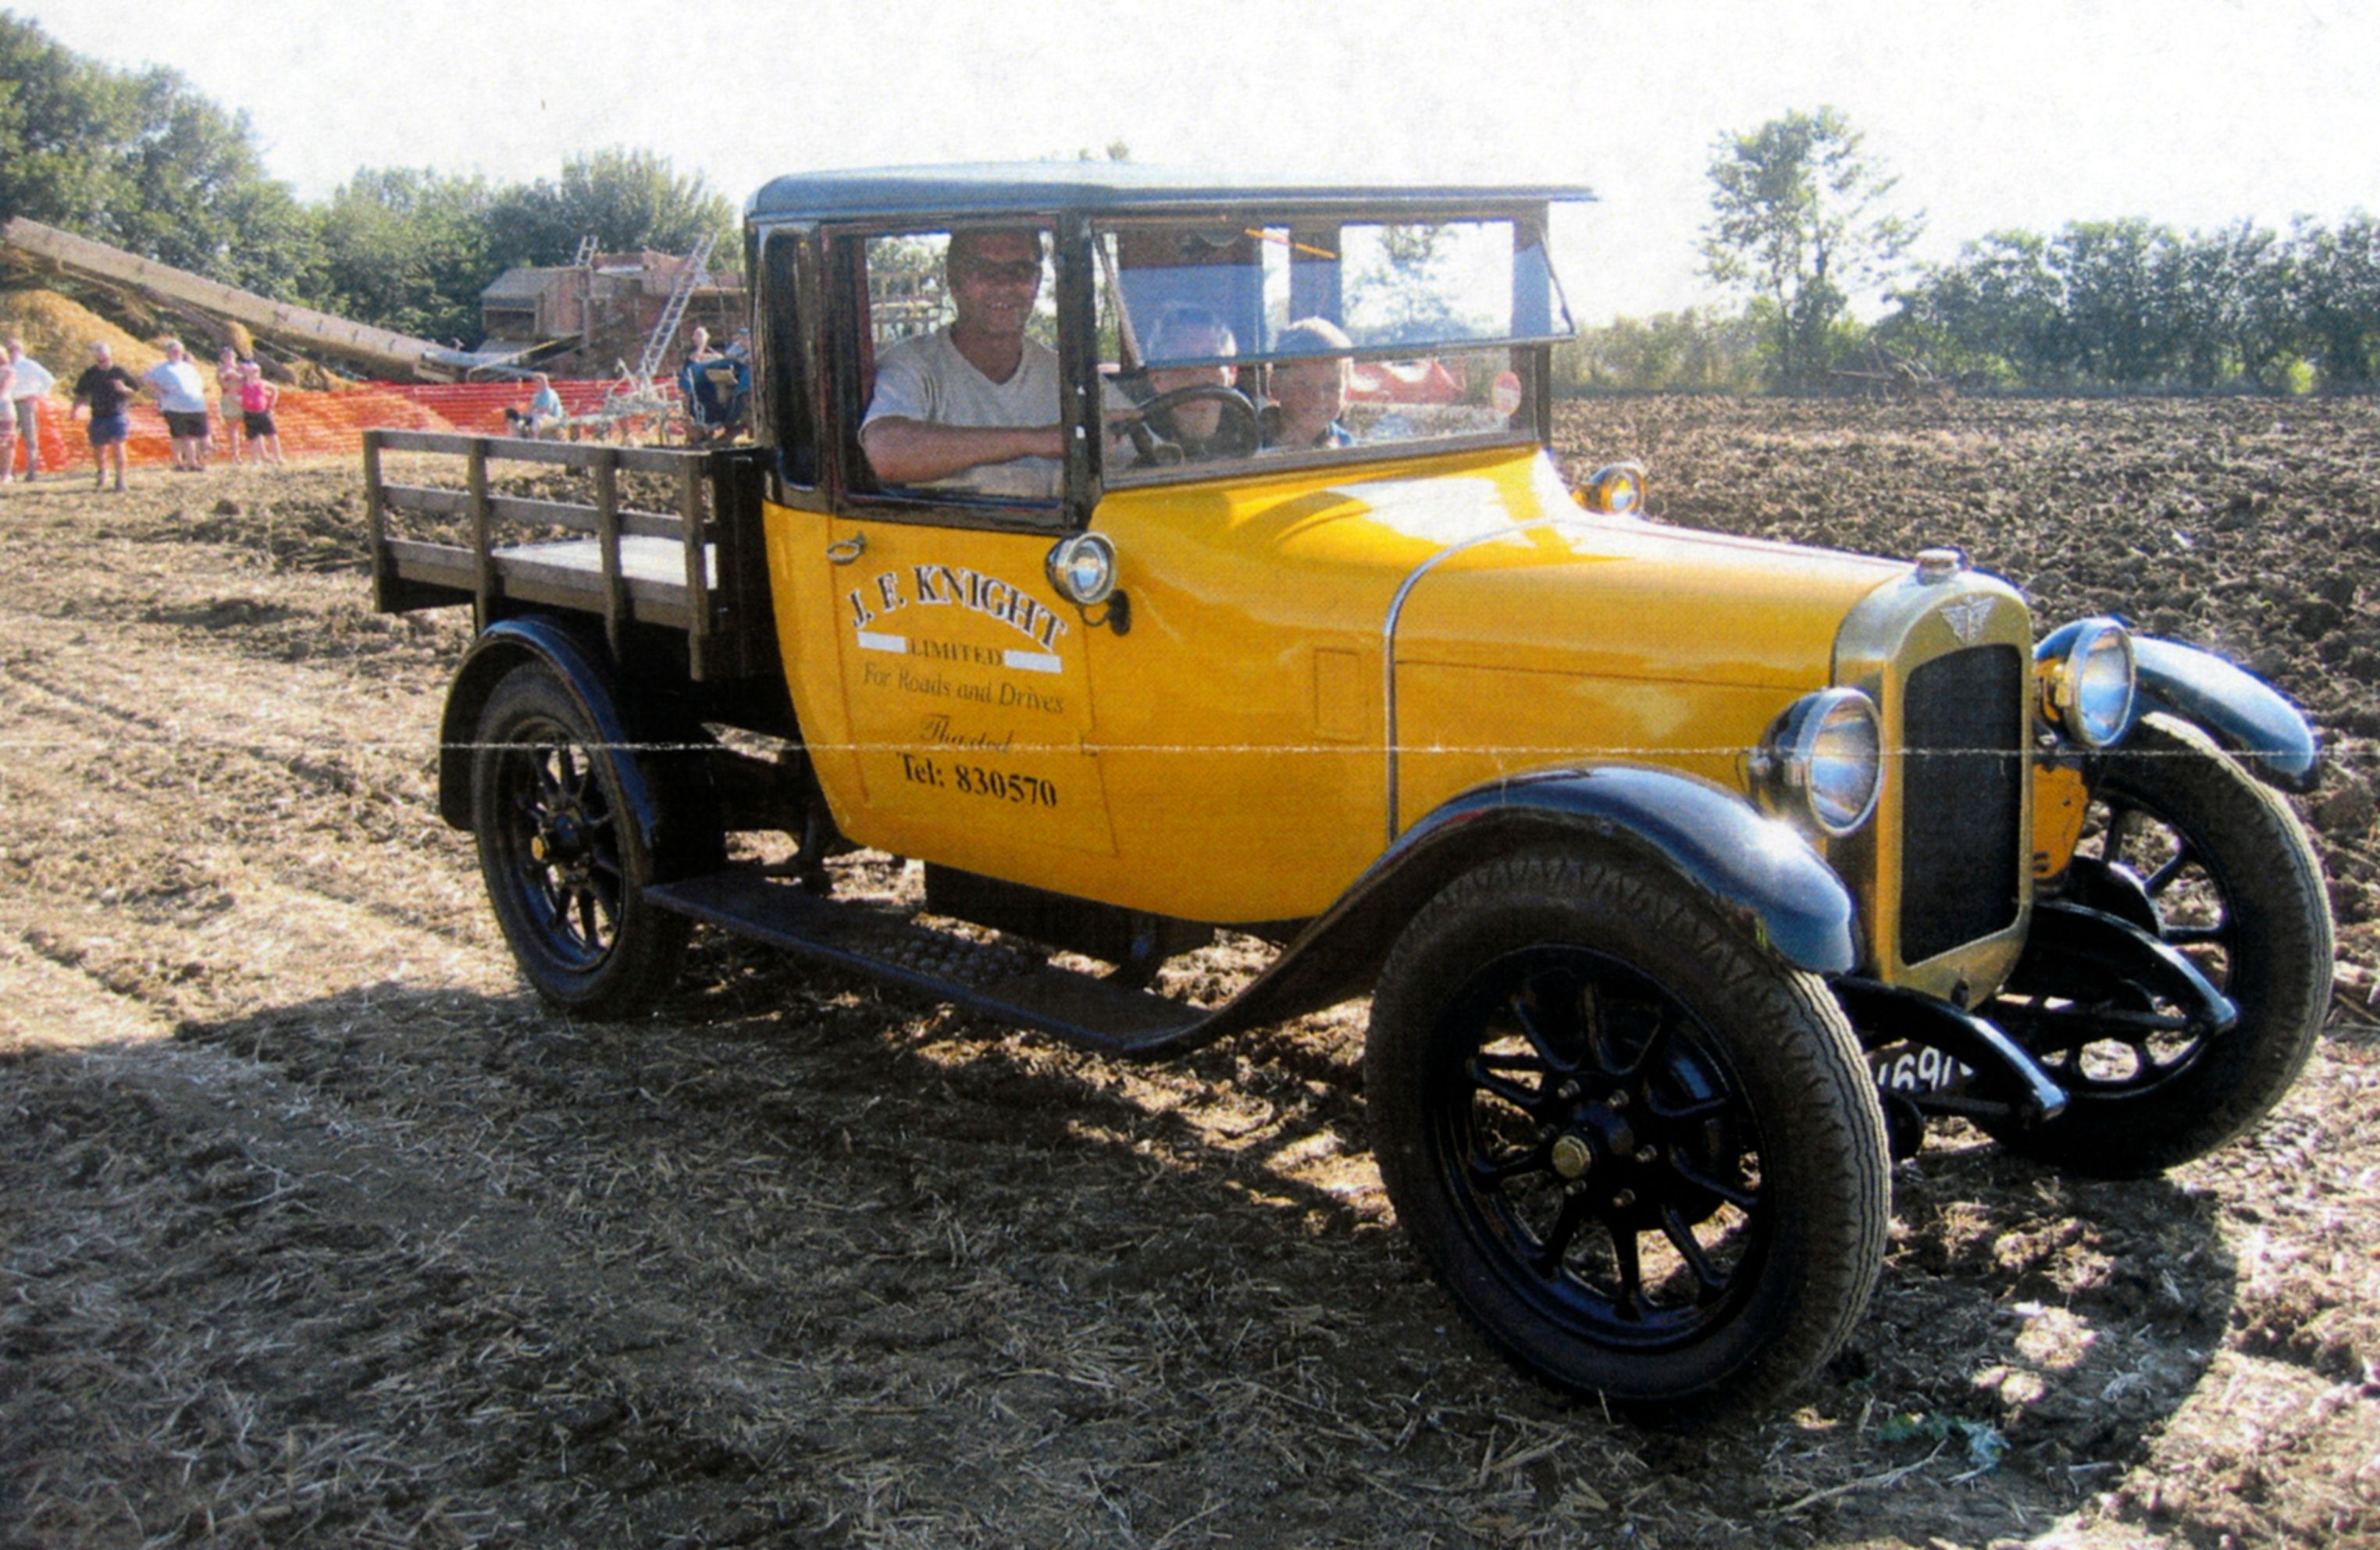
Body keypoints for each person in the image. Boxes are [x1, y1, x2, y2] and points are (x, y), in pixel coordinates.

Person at [861, 227, 1128, 497]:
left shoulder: (1065, 374)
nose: (1003, 285)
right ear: (954, 281)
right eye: (984, 270)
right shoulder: (914, 365)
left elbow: (1141, 447)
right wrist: (1034, 441)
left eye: (1019, 270)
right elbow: (888, 453)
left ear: (1037, 281)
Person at [1137, 303, 1243, 455]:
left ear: (1232, 371)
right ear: (1156, 377)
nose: (1197, 371)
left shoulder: (1265, 440)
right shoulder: (1130, 447)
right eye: (1181, 360)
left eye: (1210, 357)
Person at [1263, 317, 1356, 451]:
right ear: (1275, 386)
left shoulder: (1346, 446)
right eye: (1304, 385)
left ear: (1346, 392)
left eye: (1331, 386)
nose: (1318, 397)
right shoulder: (1251, 441)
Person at [70, 341, 141, 493]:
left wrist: (124, 389)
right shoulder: (90, 374)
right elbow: (80, 393)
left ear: (110, 356)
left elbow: (134, 390)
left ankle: (120, 480)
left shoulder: (119, 372)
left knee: (118, 446)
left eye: (105, 358)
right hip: (98, 415)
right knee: (99, 449)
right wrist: (75, 410)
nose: (103, 361)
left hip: (117, 414)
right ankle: (102, 473)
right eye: (99, 358)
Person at [142, 338, 211, 471]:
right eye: (173, 351)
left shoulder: (189, 368)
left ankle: (197, 461)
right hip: (174, 407)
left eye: (179, 351)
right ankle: (187, 463)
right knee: (183, 436)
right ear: (167, 353)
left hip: (196, 406)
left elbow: (198, 384)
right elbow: (147, 378)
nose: (176, 353)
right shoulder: (163, 368)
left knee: (201, 436)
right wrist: (160, 391)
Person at [3, 336, 54, 481]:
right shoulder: (6, 366)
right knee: (9, 438)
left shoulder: (29, 365)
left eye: (13, 349)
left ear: (19, 350)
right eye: (9, 349)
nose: (11, 352)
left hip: (26, 403)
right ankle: (9, 471)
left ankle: (32, 471)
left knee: (30, 438)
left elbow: (48, 380)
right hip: (9, 404)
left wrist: (39, 395)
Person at [238, 361, 284, 466]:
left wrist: (272, 402)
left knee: (272, 435)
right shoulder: (242, 385)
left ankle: (278, 457)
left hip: (262, 412)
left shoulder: (262, 383)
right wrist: (239, 403)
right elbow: (230, 391)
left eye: (256, 372)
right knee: (253, 438)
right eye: (252, 372)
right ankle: (255, 460)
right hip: (249, 413)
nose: (255, 374)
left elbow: (274, 389)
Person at [502, 372, 565, 438]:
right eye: (535, 382)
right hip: (540, 415)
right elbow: (532, 407)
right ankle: (518, 436)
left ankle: (535, 439)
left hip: (553, 417)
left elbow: (546, 409)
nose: (536, 384)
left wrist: (534, 412)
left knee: (537, 419)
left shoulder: (549, 394)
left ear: (544, 382)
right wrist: (525, 414)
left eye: (537, 382)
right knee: (518, 419)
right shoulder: (537, 395)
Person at [216, 346, 247, 465]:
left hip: (244, 398)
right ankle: (236, 454)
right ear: (222, 357)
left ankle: (254, 452)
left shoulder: (241, 368)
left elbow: (249, 381)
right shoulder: (221, 370)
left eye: (231, 355)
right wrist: (235, 378)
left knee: (251, 425)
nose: (229, 357)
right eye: (226, 355)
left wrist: (236, 378)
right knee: (233, 428)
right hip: (229, 399)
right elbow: (223, 384)